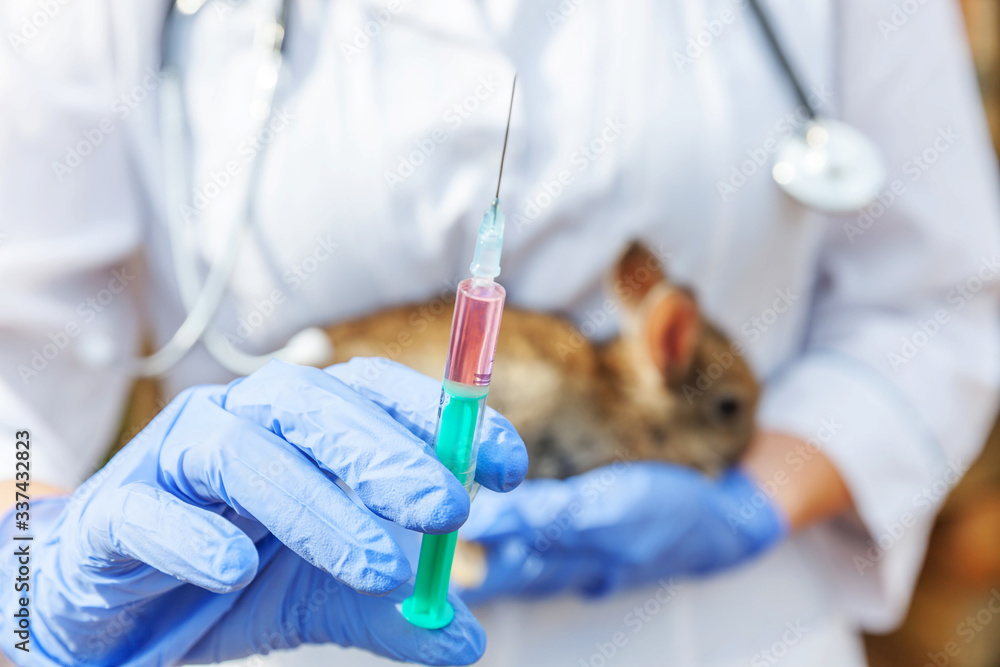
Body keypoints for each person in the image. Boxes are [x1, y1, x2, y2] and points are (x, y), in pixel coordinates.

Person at [0, 0, 998, 666]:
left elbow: (942, 299)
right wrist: (29, 567)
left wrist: (755, 499)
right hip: (276, 630)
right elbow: (14, 395)